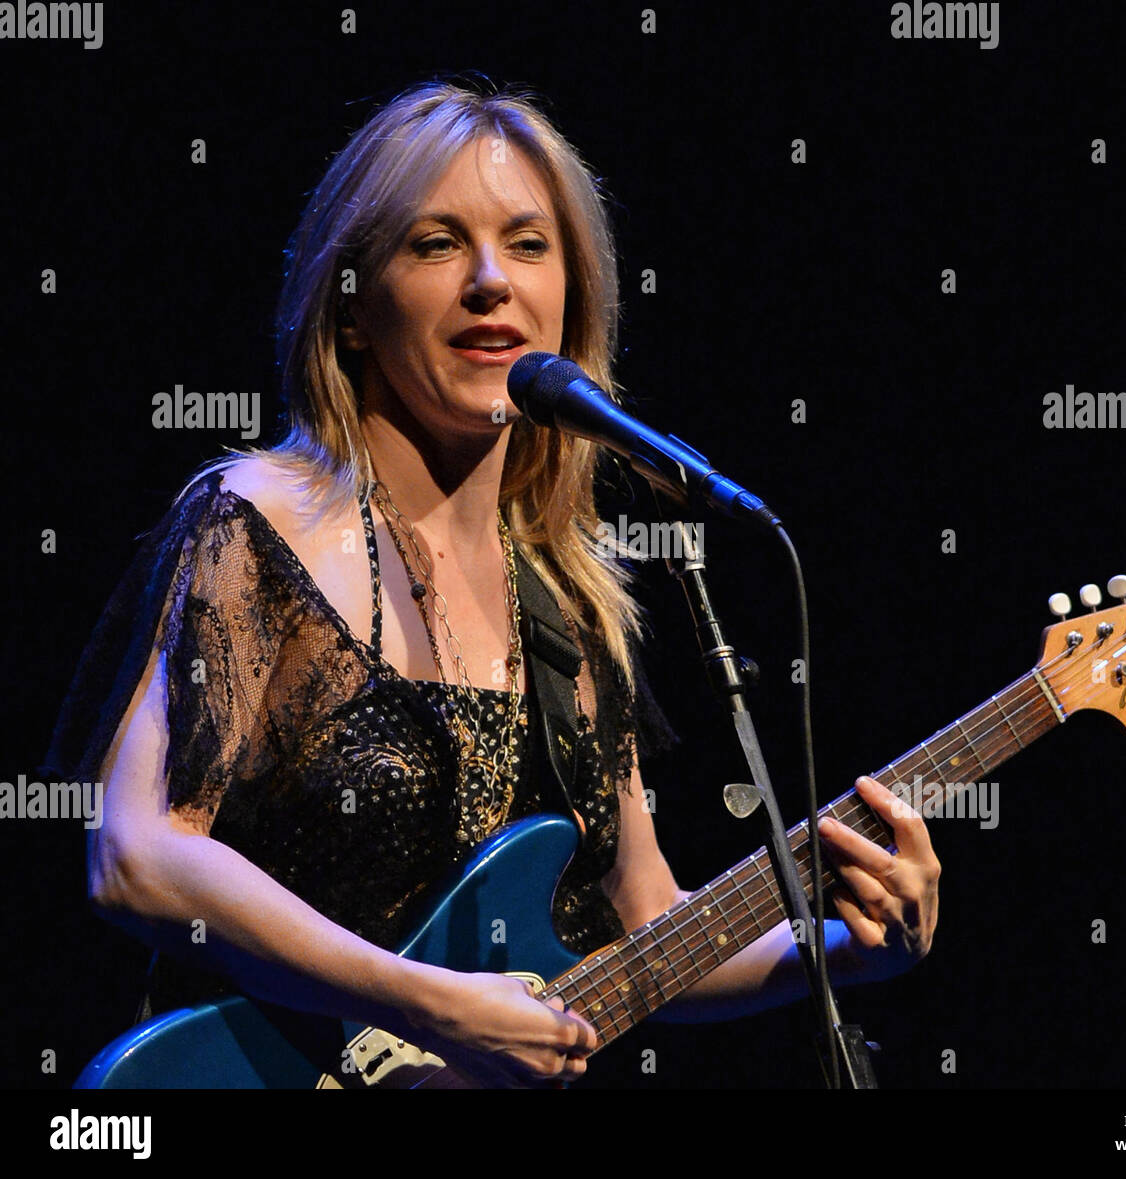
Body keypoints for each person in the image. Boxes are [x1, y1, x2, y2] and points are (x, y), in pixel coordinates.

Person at [44, 79, 941, 1087]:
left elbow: (645, 928)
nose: (488, 282)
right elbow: (138, 855)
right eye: (434, 244)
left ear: (571, 300)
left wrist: (841, 953)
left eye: (526, 244)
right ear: (350, 311)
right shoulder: (253, 524)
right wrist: (429, 1003)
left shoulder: (571, 606)